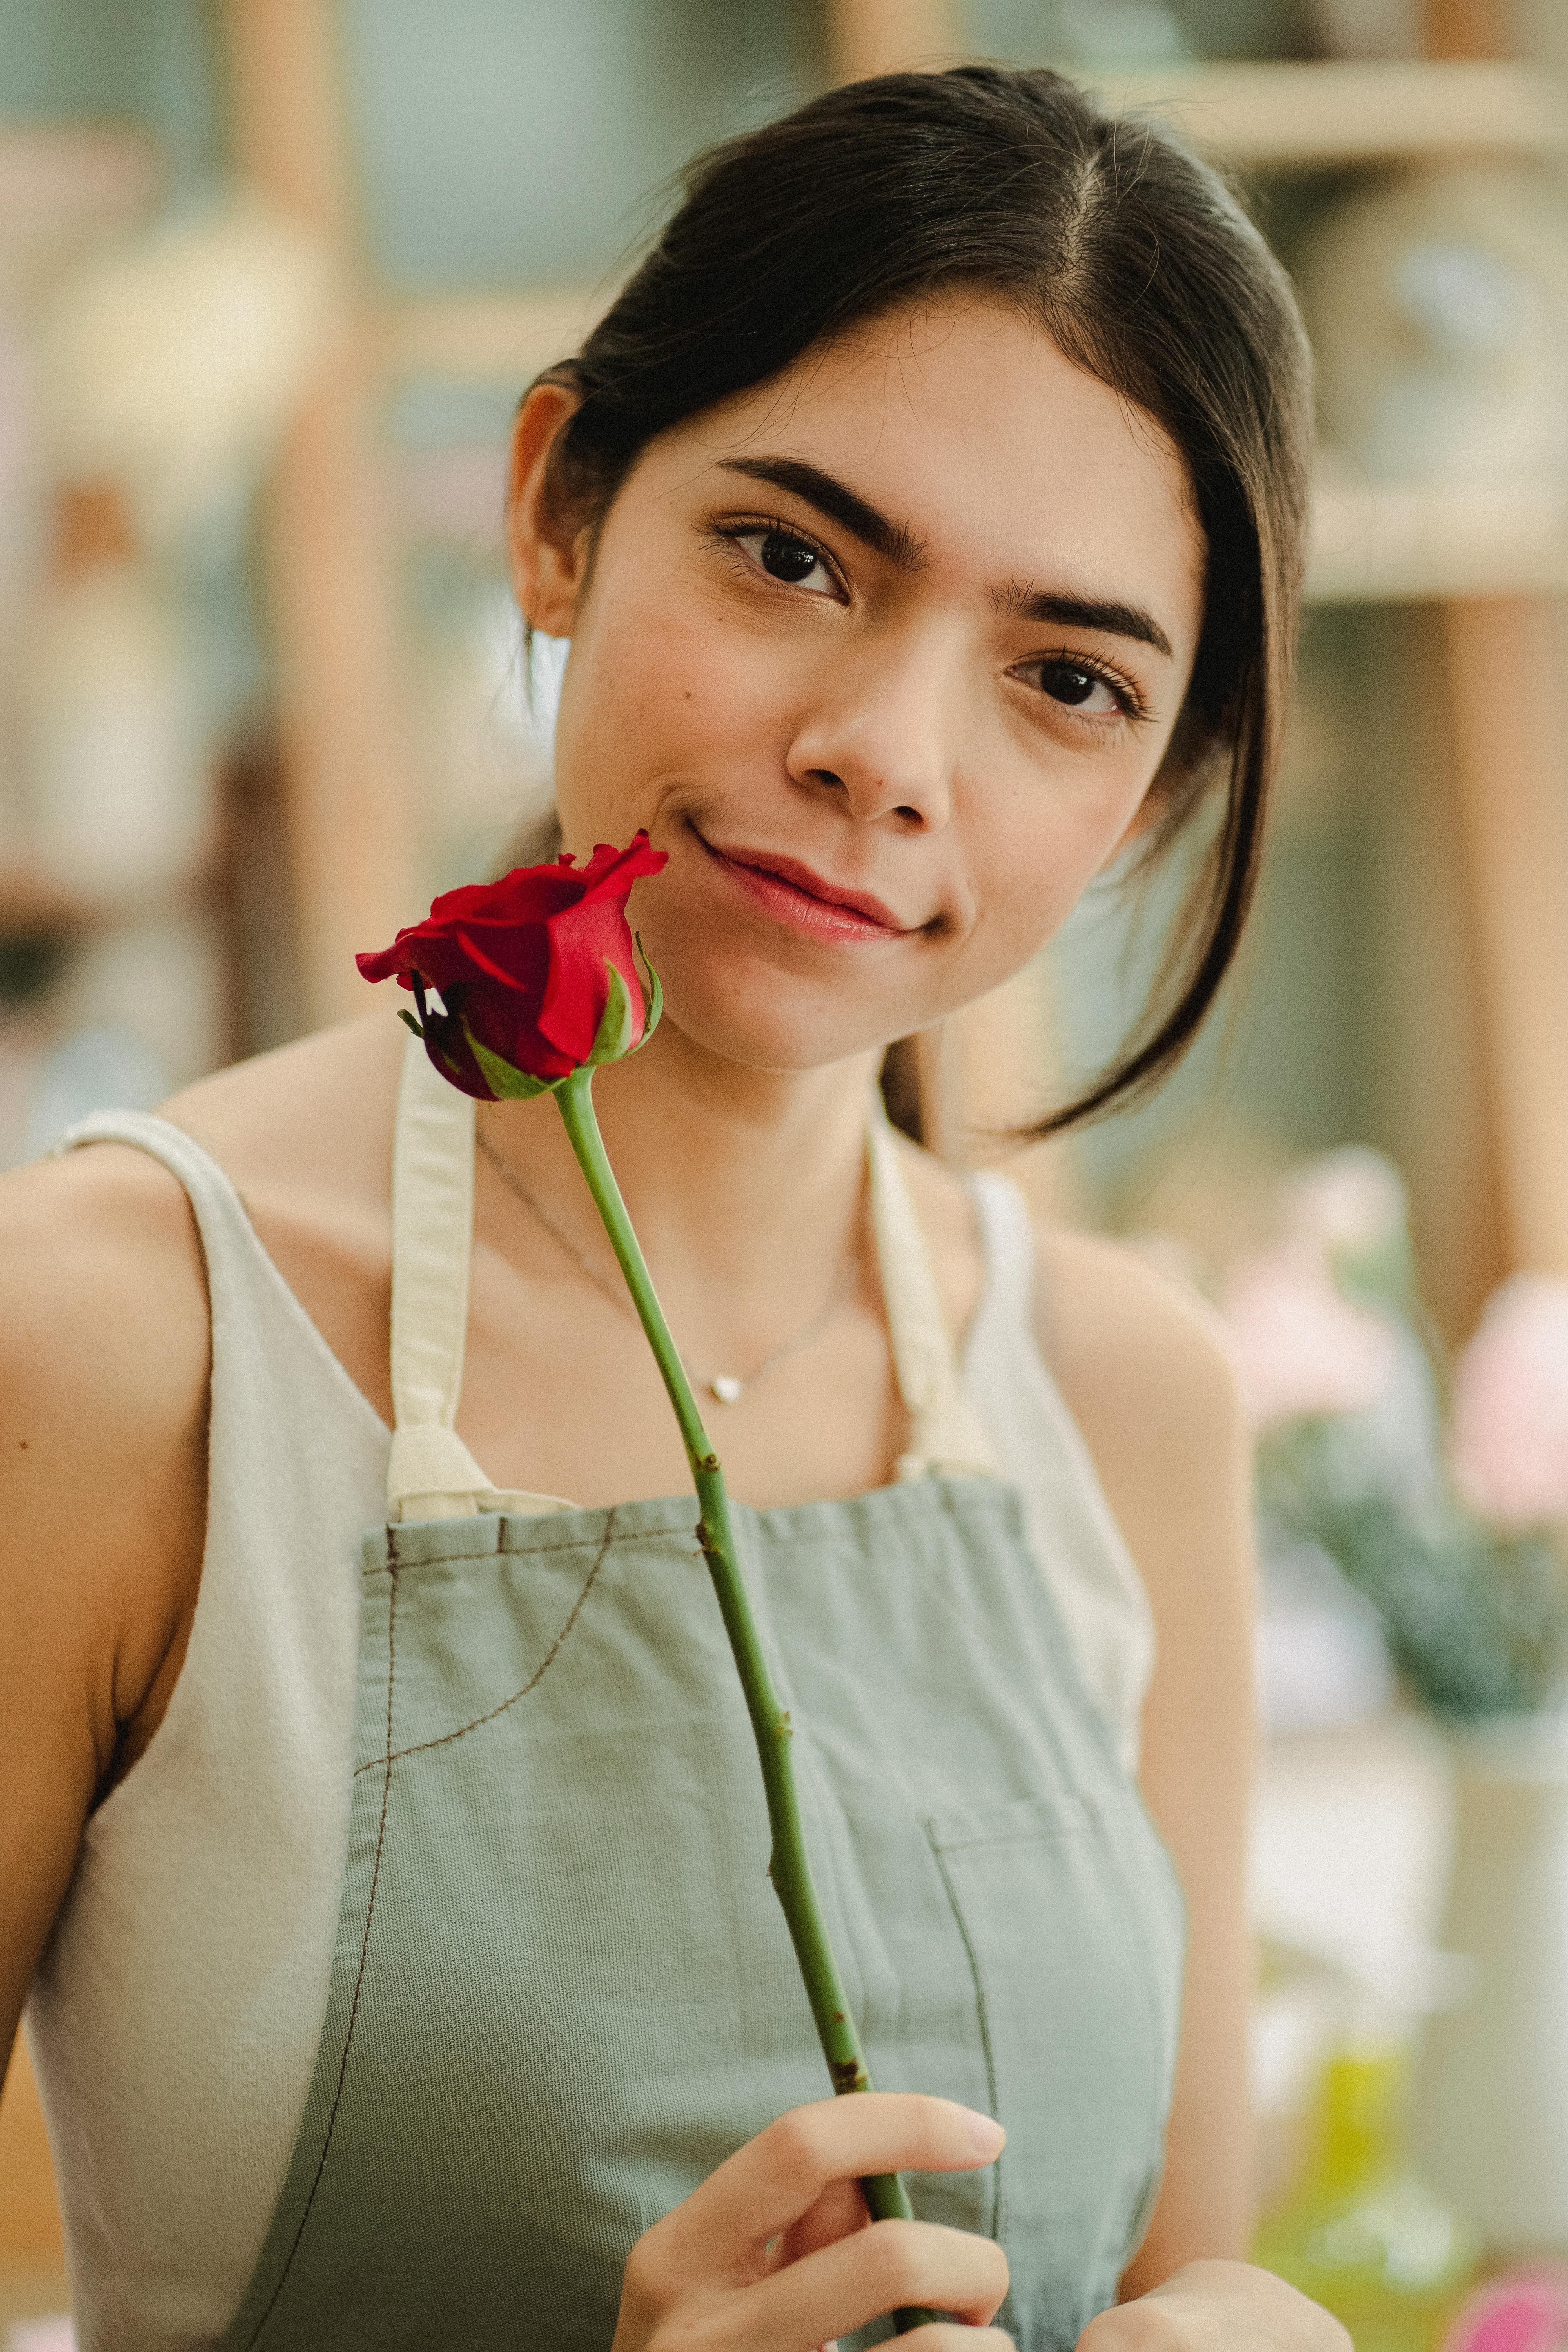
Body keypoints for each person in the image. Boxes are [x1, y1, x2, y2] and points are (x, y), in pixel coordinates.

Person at [1, 63, 1347, 2352]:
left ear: (1152, 795)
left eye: (1067, 679)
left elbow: (1168, 2266)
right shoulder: (115, 1340)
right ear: (557, 509)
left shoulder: (1128, 1403)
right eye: (793, 555)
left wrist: (1260, 2329)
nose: (886, 753)